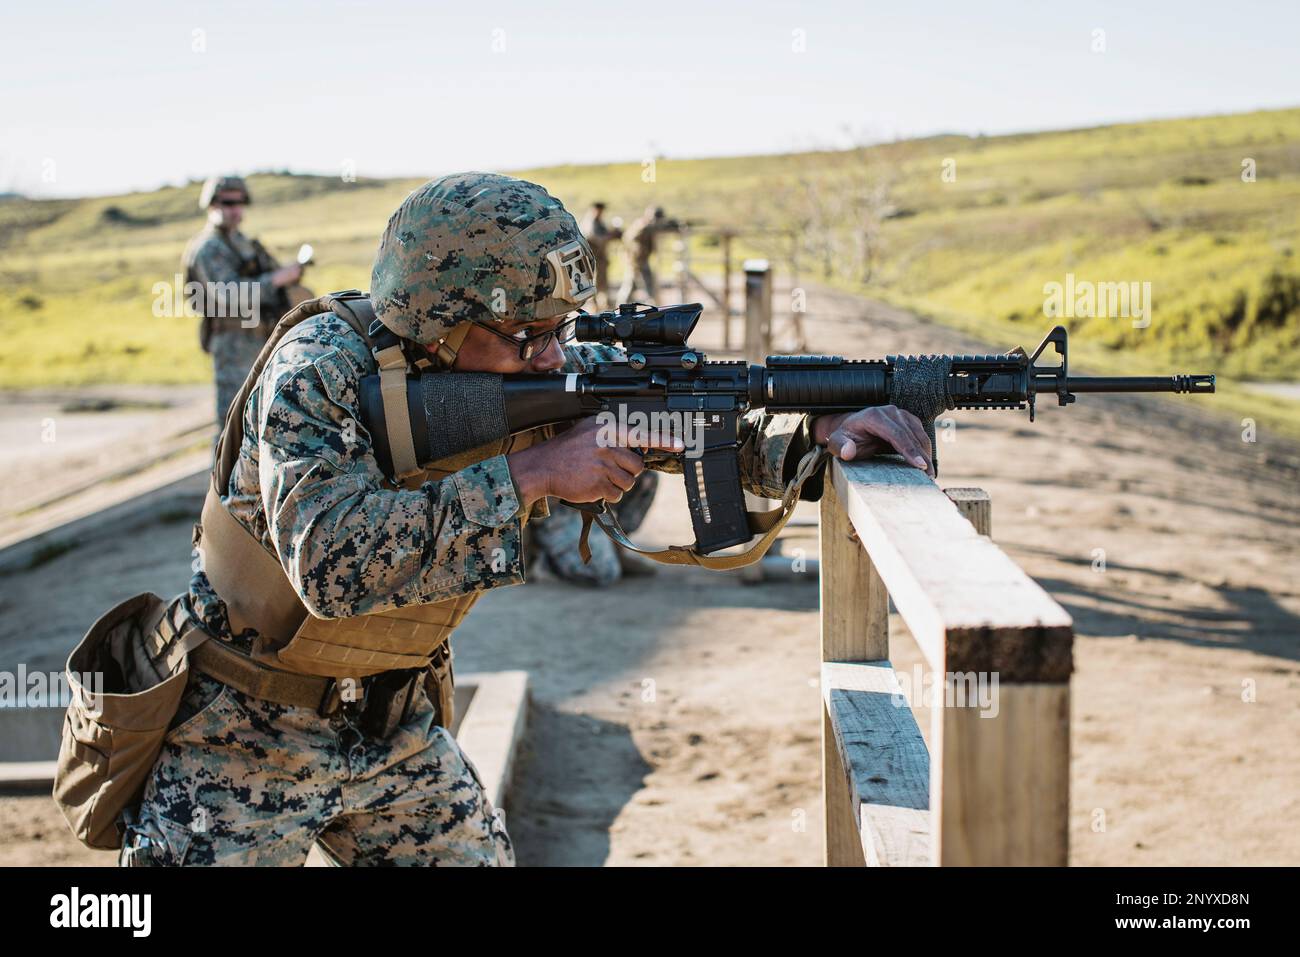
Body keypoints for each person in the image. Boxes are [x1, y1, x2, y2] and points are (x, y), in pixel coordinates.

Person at [118, 172, 933, 866]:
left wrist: (816, 430)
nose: (553, 355)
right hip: (243, 734)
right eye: (527, 334)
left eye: (560, 330)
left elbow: (687, 420)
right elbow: (332, 563)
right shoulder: (317, 372)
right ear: (442, 319)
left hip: (390, 719)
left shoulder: (526, 362)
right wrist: (538, 473)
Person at [182, 175, 304, 426]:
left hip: (261, 339)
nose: (235, 210)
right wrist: (277, 279)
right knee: (234, 423)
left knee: (264, 420)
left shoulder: (243, 244)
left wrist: (288, 277)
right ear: (213, 204)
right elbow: (229, 293)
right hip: (233, 344)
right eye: (228, 203)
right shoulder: (209, 248)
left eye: (240, 202)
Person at [615, 206, 676, 305]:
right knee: (638, 283)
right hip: (636, 259)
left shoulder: (644, 224)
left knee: (634, 283)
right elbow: (632, 241)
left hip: (638, 259)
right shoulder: (644, 225)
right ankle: (625, 305)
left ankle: (624, 304)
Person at [578, 201, 621, 309]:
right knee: (595, 279)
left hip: (600, 256)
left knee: (602, 279)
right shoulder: (591, 222)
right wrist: (611, 235)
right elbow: (597, 238)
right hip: (593, 256)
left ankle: (603, 301)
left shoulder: (598, 221)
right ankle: (594, 302)